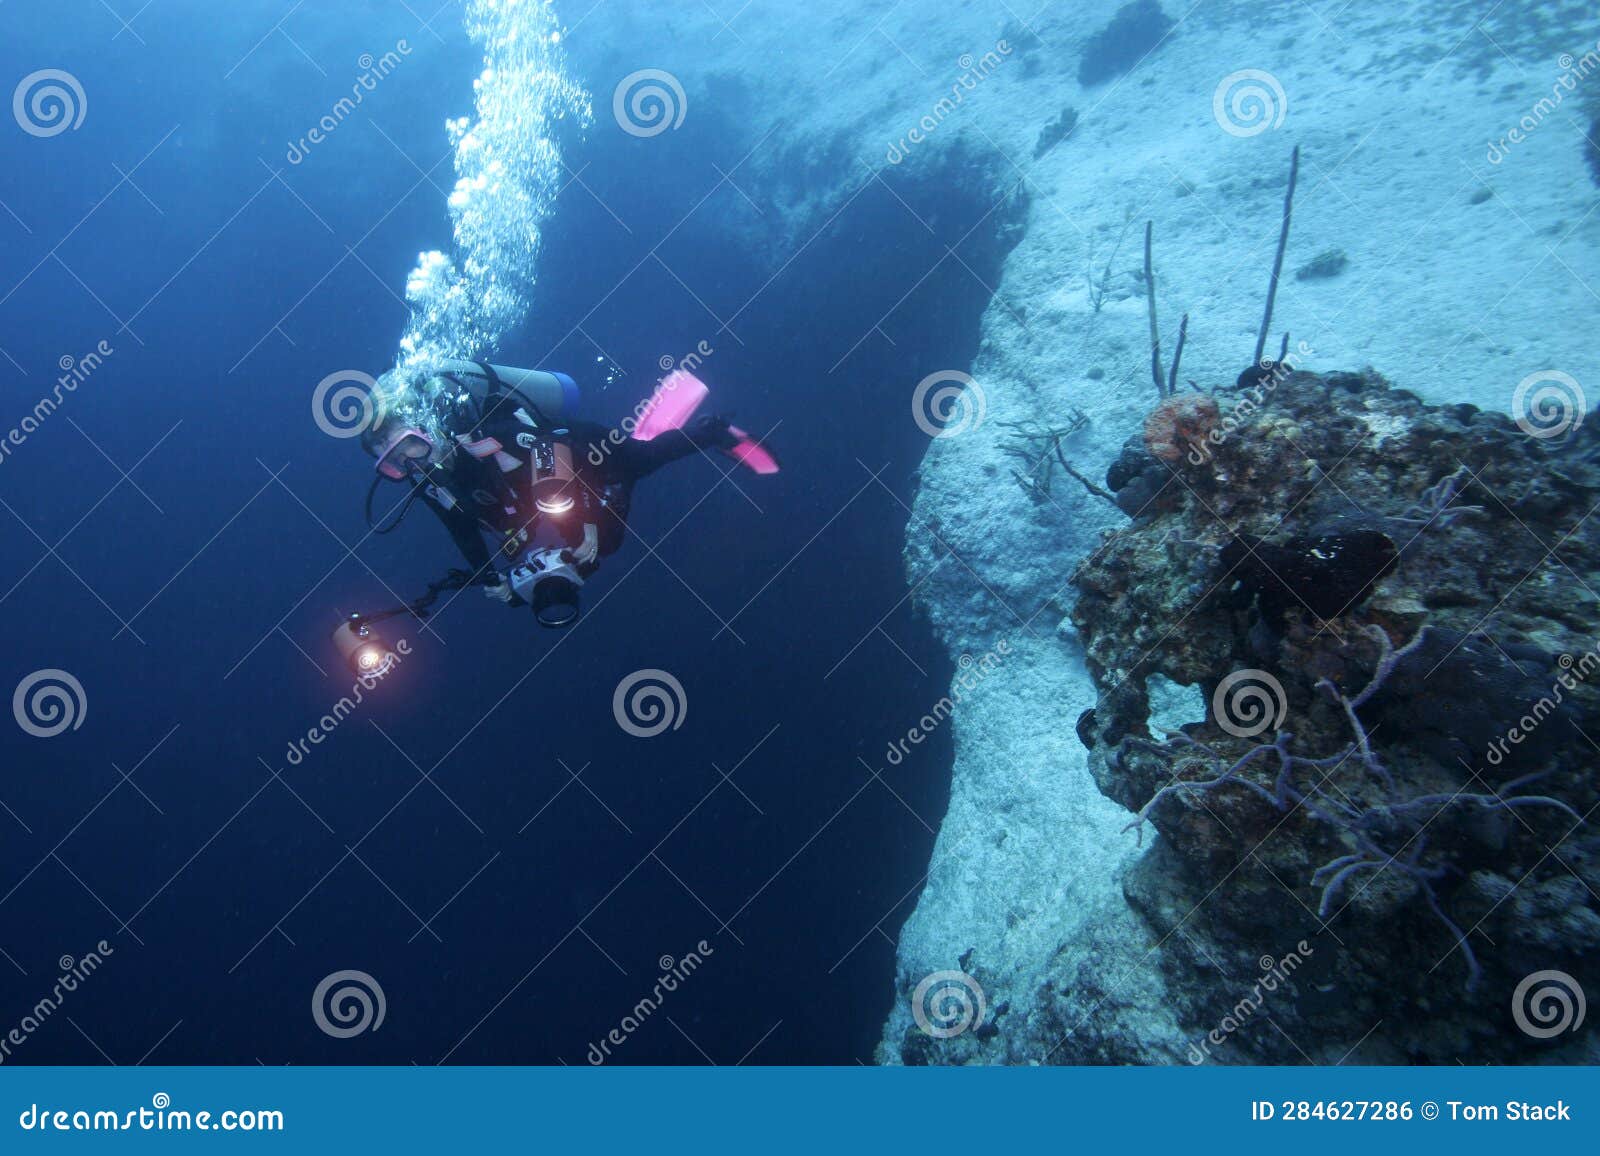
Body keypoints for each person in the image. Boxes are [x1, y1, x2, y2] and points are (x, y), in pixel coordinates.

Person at [361, 360, 775, 627]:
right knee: (586, 546)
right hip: (536, 498)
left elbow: (554, 445)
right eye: (394, 463)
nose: (410, 462)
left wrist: (590, 521)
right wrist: (491, 579)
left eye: (411, 445)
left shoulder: (488, 436)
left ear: (427, 429)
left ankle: (714, 430)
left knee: (643, 458)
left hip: (587, 452)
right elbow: (462, 528)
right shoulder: (432, 481)